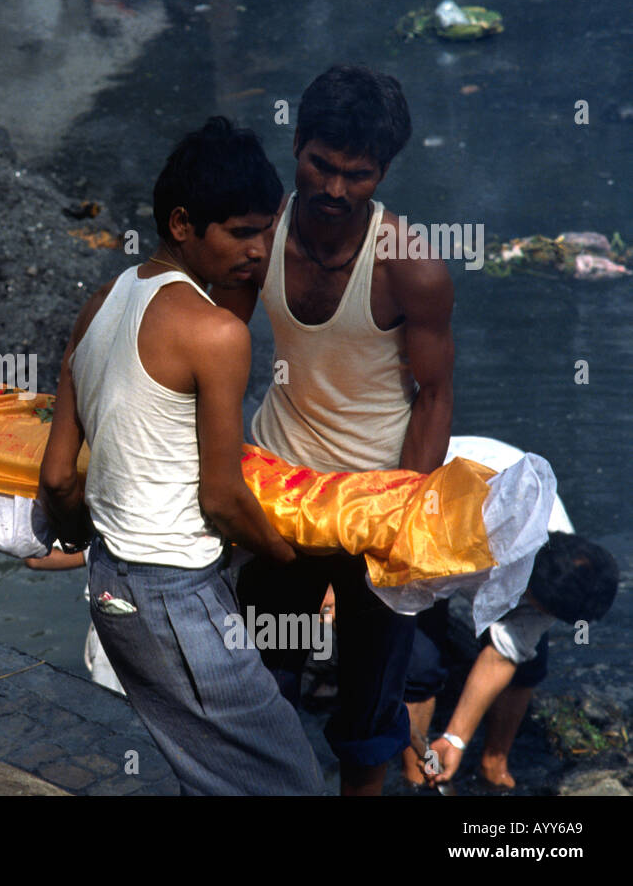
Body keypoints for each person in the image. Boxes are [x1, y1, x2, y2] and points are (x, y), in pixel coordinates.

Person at [39, 117, 325, 796]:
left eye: (267, 229)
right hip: (176, 594)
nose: (259, 250)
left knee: (211, 775)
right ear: (182, 223)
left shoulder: (103, 302)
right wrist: (293, 562)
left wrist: (81, 535)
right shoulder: (217, 332)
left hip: (113, 582)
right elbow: (222, 499)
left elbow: (57, 475)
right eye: (240, 231)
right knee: (293, 783)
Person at [209, 65, 456, 795]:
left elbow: (436, 396)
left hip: (374, 503)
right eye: (321, 165)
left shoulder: (410, 268)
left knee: (371, 707)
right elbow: (215, 341)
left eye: (358, 174)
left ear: (384, 171)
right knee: (256, 676)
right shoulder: (261, 238)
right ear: (296, 146)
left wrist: (408, 515)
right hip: (278, 486)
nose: (336, 189)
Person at [404, 436, 619, 789]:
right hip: (430, 523)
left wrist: (456, 739)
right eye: (535, 606)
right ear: (528, 588)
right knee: (421, 661)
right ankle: (416, 771)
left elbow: (504, 652)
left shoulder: (568, 569)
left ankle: (494, 761)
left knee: (529, 660)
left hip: (490, 556)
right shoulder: (480, 520)